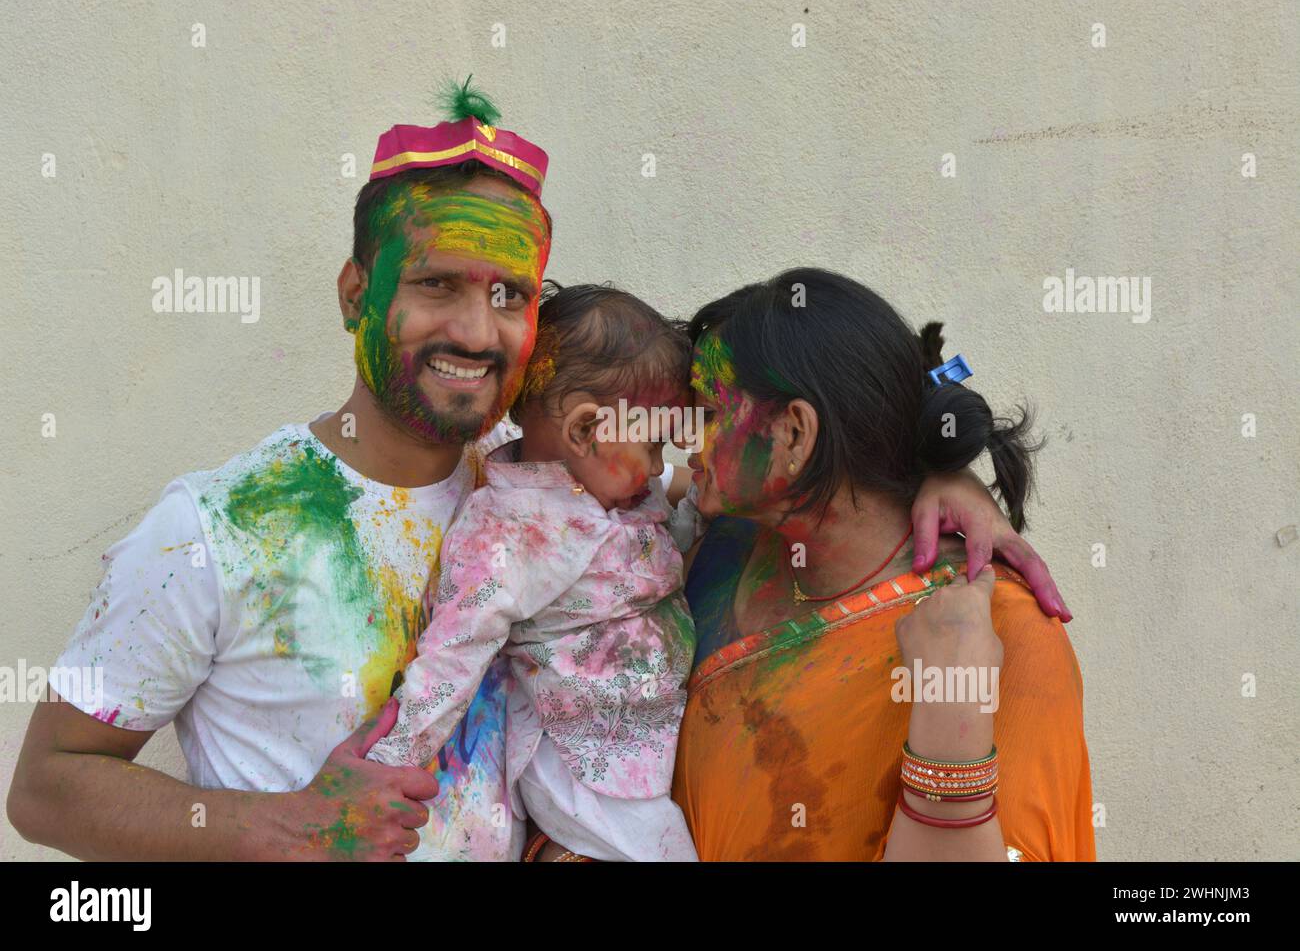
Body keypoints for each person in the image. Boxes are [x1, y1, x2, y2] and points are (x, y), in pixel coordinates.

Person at [7, 80, 1068, 861]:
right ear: (352, 292)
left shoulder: (571, 491)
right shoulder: (220, 524)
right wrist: (261, 828)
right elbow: (45, 788)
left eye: (510, 293)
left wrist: (934, 475)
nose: (476, 327)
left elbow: (806, 433)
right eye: (435, 284)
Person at [671, 269, 1093, 861]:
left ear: (795, 433)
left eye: (709, 411)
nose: (686, 438)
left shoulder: (1003, 635)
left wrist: (952, 731)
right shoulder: (721, 553)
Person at [368, 284, 703, 861]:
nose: (657, 466)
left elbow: (674, 515)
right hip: (582, 762)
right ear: (582, 430)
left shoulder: (615, 484)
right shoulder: (512, 528)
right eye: (652, 445)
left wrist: (705, 503)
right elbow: (453, 652)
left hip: (640, 738)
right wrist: (388, 765)